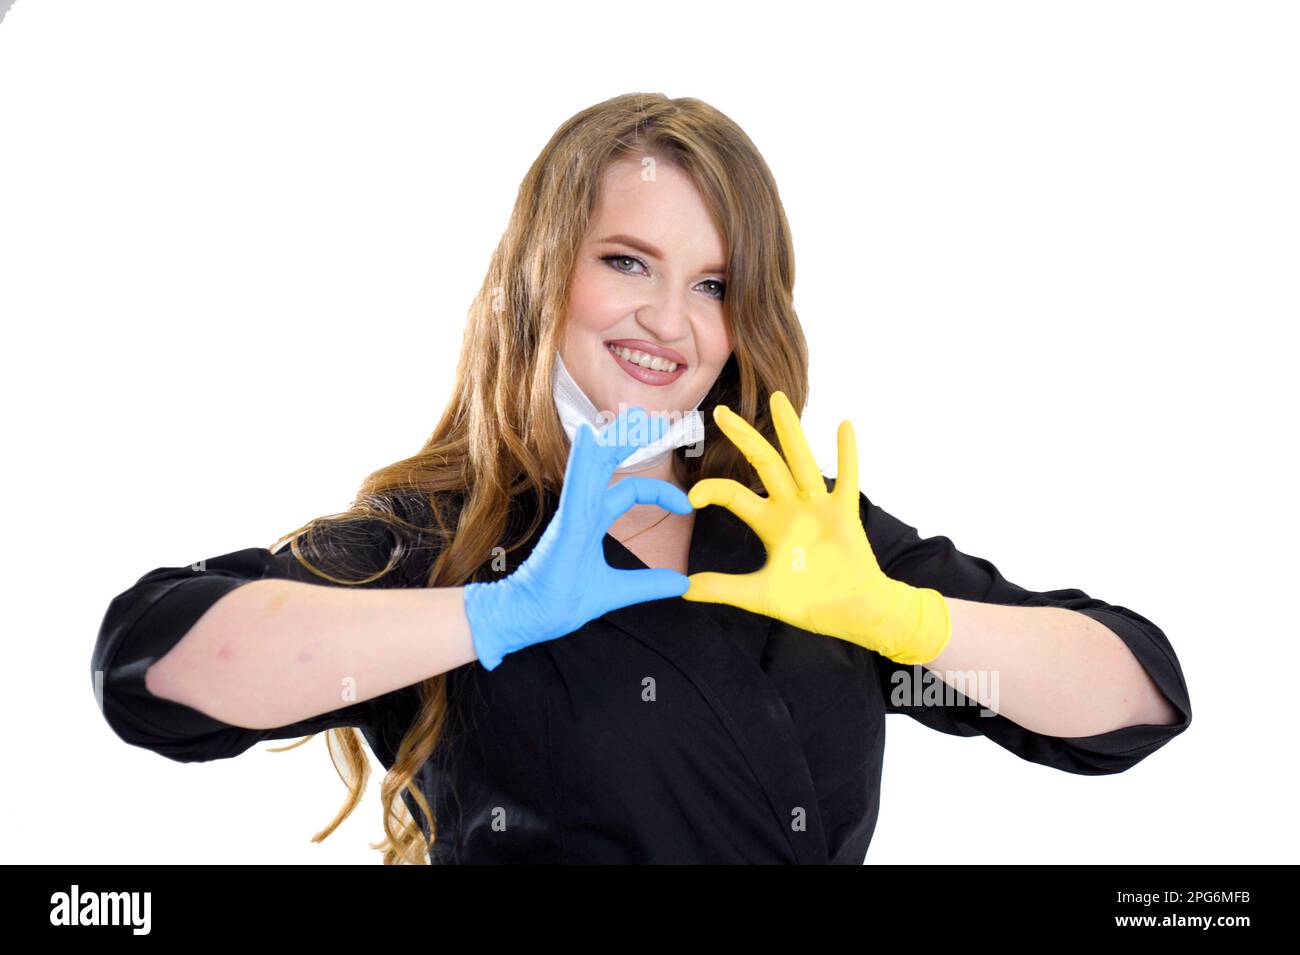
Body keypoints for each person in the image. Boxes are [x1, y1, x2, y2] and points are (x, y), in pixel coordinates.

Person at [91, 92, 1192, 865]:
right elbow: (157, 666)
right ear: (543, 272)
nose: (670, 320)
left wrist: (900, 619)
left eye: (713, 283)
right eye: (627, 262)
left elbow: (1135, 697)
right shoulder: (445, 535)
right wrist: (493, 612)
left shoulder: (802, 536)